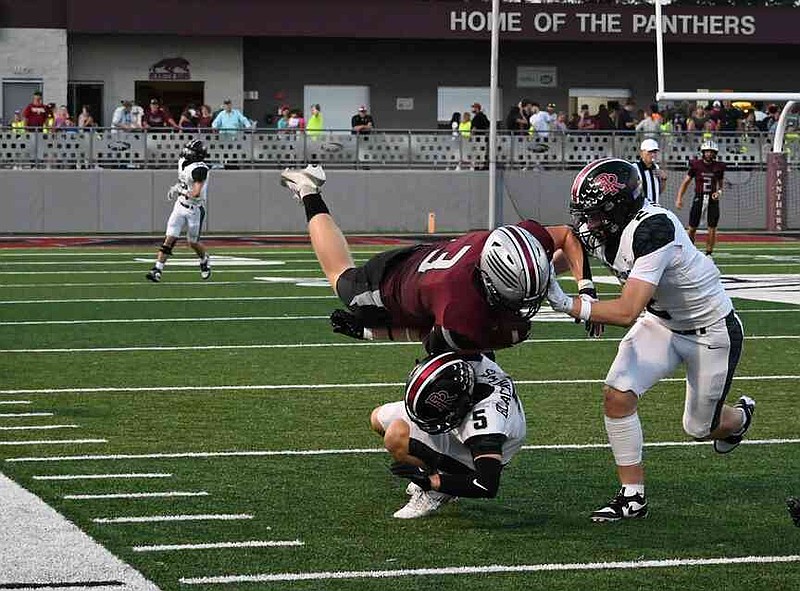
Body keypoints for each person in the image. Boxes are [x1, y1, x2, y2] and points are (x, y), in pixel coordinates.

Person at [546, 158, 756, 522]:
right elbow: (570, 247)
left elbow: (626, 311)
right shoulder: (607, 227)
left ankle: (739, 418)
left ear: (618, 208)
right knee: (617, 395)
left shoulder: (653, 229)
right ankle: (633, 497)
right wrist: (538, 273)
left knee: (699, 428)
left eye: (595, 214)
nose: (589, 222)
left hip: (709, 330)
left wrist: (568, 303)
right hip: (660, 323)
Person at [278, 164, 594, 354]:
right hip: (390, 282)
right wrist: (367, 331)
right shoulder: (458, 308)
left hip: (434, 262)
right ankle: (308, 189)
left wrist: (586, 290)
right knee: (340, 276)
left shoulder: (508, 242)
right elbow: (424, 334)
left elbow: (567, 236)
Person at [371, 351, 526, 519]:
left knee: (395, 437)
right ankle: (437, 471)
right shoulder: (470, 360)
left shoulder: (485, 426)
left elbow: (486, 484)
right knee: (378, 418)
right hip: (471, 413)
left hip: (475, 455)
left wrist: (430, 481)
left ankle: (439, 490)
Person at [146, 139, 212, 283]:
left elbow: (196, 193)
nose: (187, 152)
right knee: (170, 238)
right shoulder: (183, 161)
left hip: (194, 210)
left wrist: (179, 190)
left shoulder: (200, 169)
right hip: (180, 205)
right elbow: (184, 181)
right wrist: (177, 187)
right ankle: (157, 269)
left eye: (191, 151)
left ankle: (204, 259)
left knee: (192, 242)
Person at [675, 140, 726, 256]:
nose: (709, 154)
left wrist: (719, 192)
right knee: (692, 227)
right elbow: (685, 182)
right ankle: (689, 251)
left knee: (712, 228)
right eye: (707, 151)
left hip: (712, 199)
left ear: (715, 153)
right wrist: (679, 198)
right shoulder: (696, 165)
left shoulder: (719, 167)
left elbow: (721, 185)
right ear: (703, 152)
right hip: (699, 197)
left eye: (711, 152)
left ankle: (709, 253)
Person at [634, 138, 667, 205]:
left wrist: (663, 179)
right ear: (641, 153)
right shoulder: (635, 168)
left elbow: (658, 192)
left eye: (655, 152)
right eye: (650, 152)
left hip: (654, 206)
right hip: (641, 208)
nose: (653, 155)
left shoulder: (656, 167)